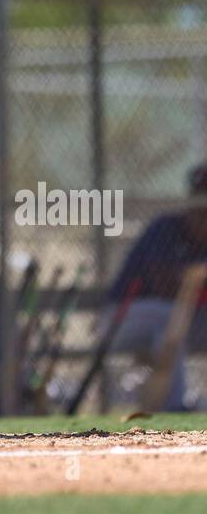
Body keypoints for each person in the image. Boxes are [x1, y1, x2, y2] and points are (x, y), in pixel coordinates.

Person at [104, 163, 207, 411]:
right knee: (168, 317)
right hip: (121, 318)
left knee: (174, 323)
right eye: (200, 210)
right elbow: (163, 285)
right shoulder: (165, 228)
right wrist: (191, 280)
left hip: (183, 322)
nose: (203, 218)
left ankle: (172, 405)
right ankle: (175, 407)